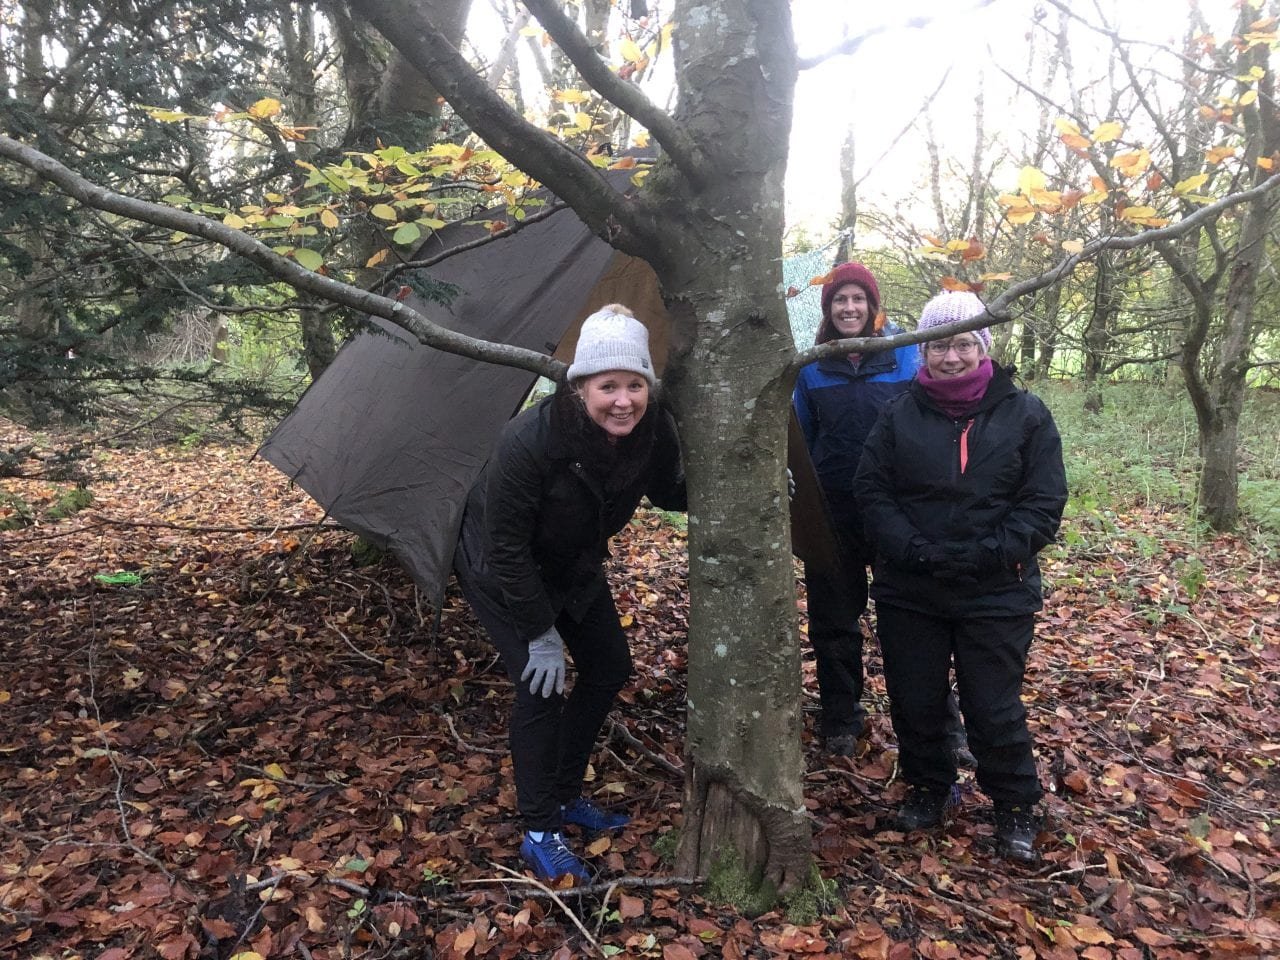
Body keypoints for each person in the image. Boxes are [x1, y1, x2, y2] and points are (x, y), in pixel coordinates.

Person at [452, 304, 686, 884]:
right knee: (542, 687)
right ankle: (539, 829)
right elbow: (504, 546)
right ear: (581, 386)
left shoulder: (651, 428)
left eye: (635, 385)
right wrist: (540, 634)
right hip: (501, 569)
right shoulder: (530, 440)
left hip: (574, 563)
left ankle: (564, 794)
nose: (624, 400)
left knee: (609, 665)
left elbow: (667, 493)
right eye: (608, 386)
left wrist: (742, 482)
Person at [854, 290, 1067, 863]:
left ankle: (1015, 804)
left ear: (984, 347)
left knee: (992, 703)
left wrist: (988, 554)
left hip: (996, 588)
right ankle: (929, 786)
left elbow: (1043, 501)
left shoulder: (1026, 413)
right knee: (915, 698)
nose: (950, 357)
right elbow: (872, 491)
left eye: (963, 344)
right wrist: (915, 550)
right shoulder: (897, 412)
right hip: (911, 587)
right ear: (922, 350)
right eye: (939, 345)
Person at [793, 262, 969, 761]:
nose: (849, 308)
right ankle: (841, 720)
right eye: (839, 301)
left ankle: (942, 726)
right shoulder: (812, 365)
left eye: (858, 300)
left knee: (916, 624)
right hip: (833, 518)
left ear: (873, 306)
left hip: (899, 516)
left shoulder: (903, 356)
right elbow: (802, 442)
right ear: (828, 309)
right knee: (834, 623)